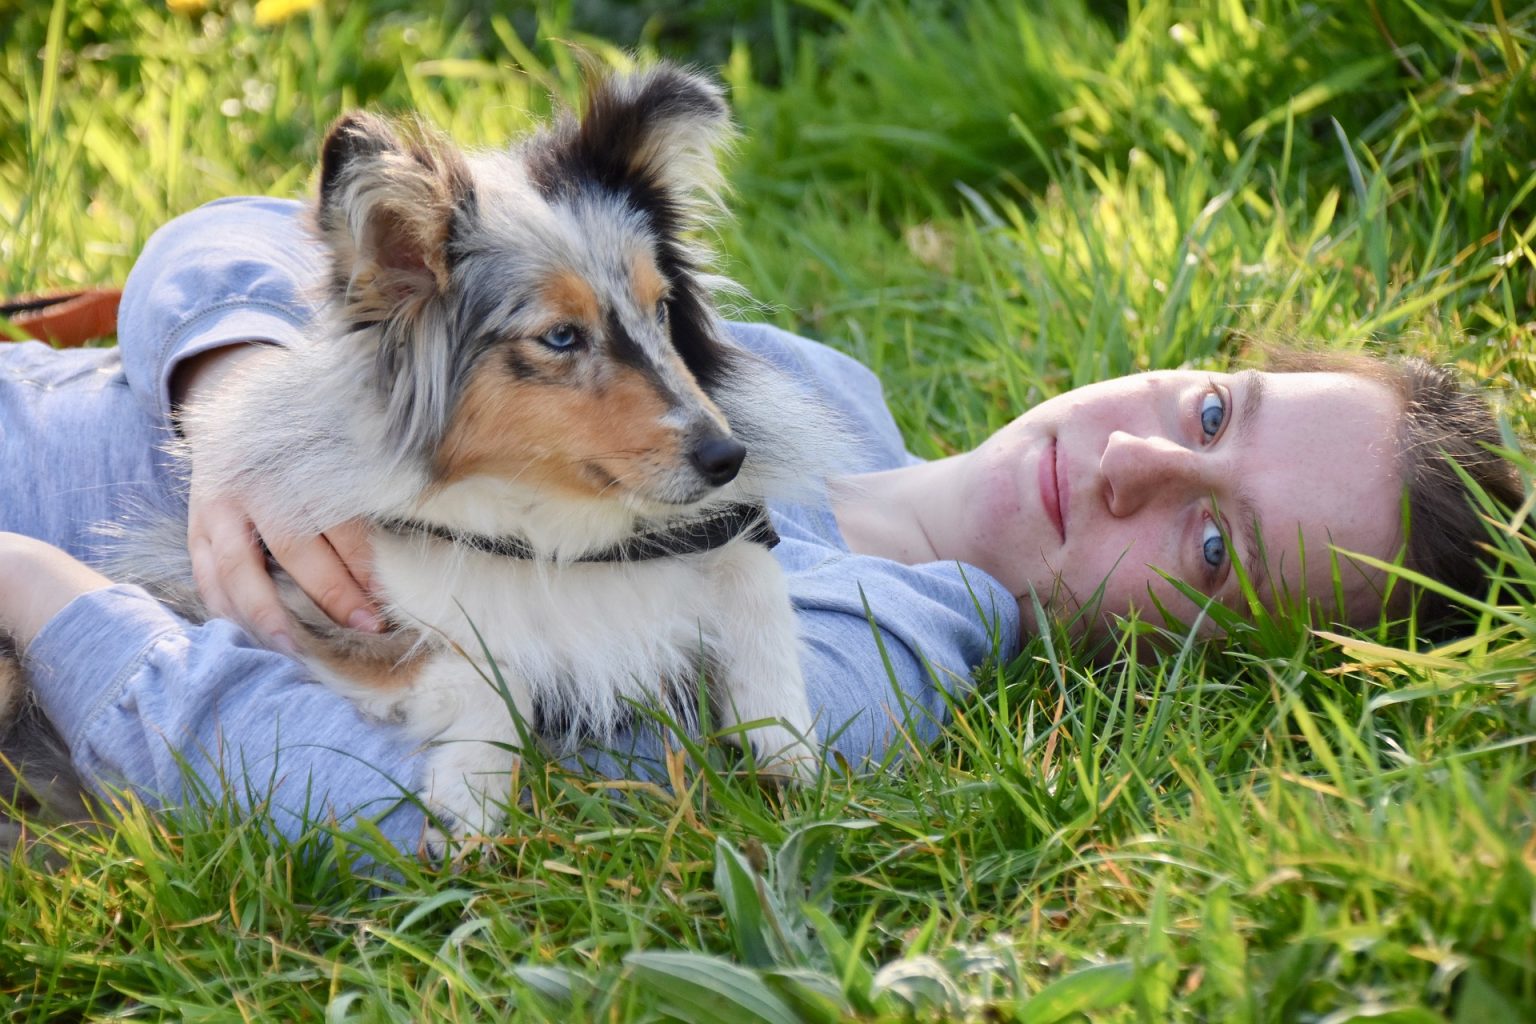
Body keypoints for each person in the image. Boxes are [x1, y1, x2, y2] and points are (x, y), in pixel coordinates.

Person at [0, 198, 1520, 855]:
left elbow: (382, 799)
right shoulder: (816, 393)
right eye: (1211, 414)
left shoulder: (852, 671)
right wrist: (237, 387)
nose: (1131, 462)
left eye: (1212, 547)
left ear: (1199, 664)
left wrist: (35, 591)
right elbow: (273, 229)